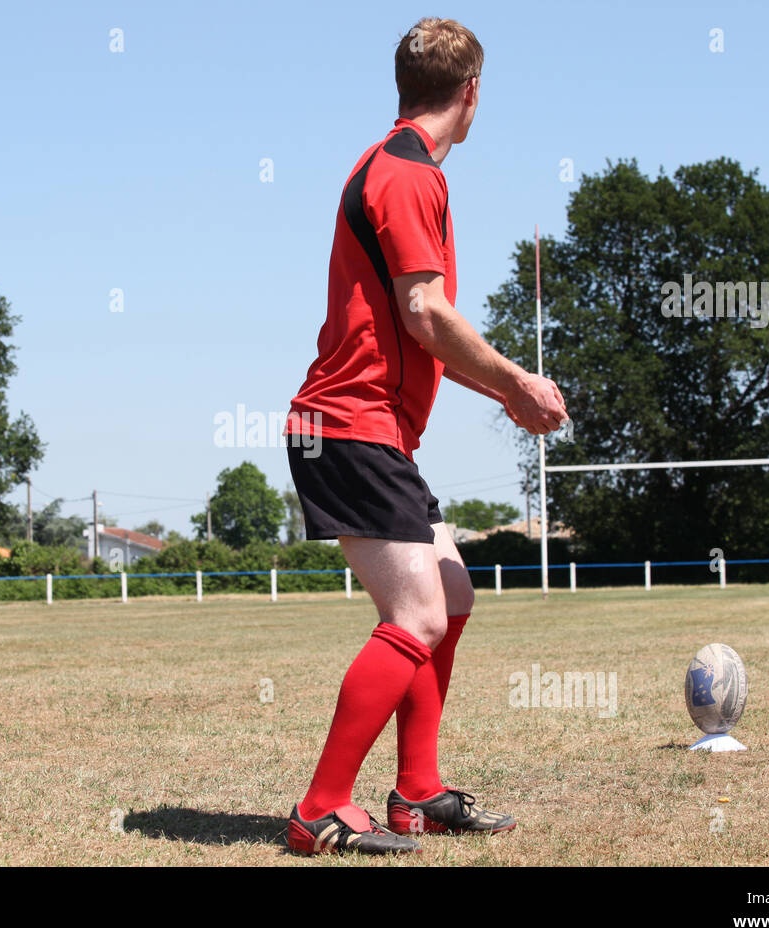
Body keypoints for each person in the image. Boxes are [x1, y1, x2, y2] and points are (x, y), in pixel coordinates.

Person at [282, 17, 568, 855]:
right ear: (472, 92)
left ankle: (416, 792)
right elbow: (427, 312)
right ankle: (320, 808)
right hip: (345, 425)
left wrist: (501, 393)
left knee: (451, 598)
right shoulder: (408, 176)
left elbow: (422, 333)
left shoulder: (400, 168)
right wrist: (517, 381)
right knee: (418, 613)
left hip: (369, 429)